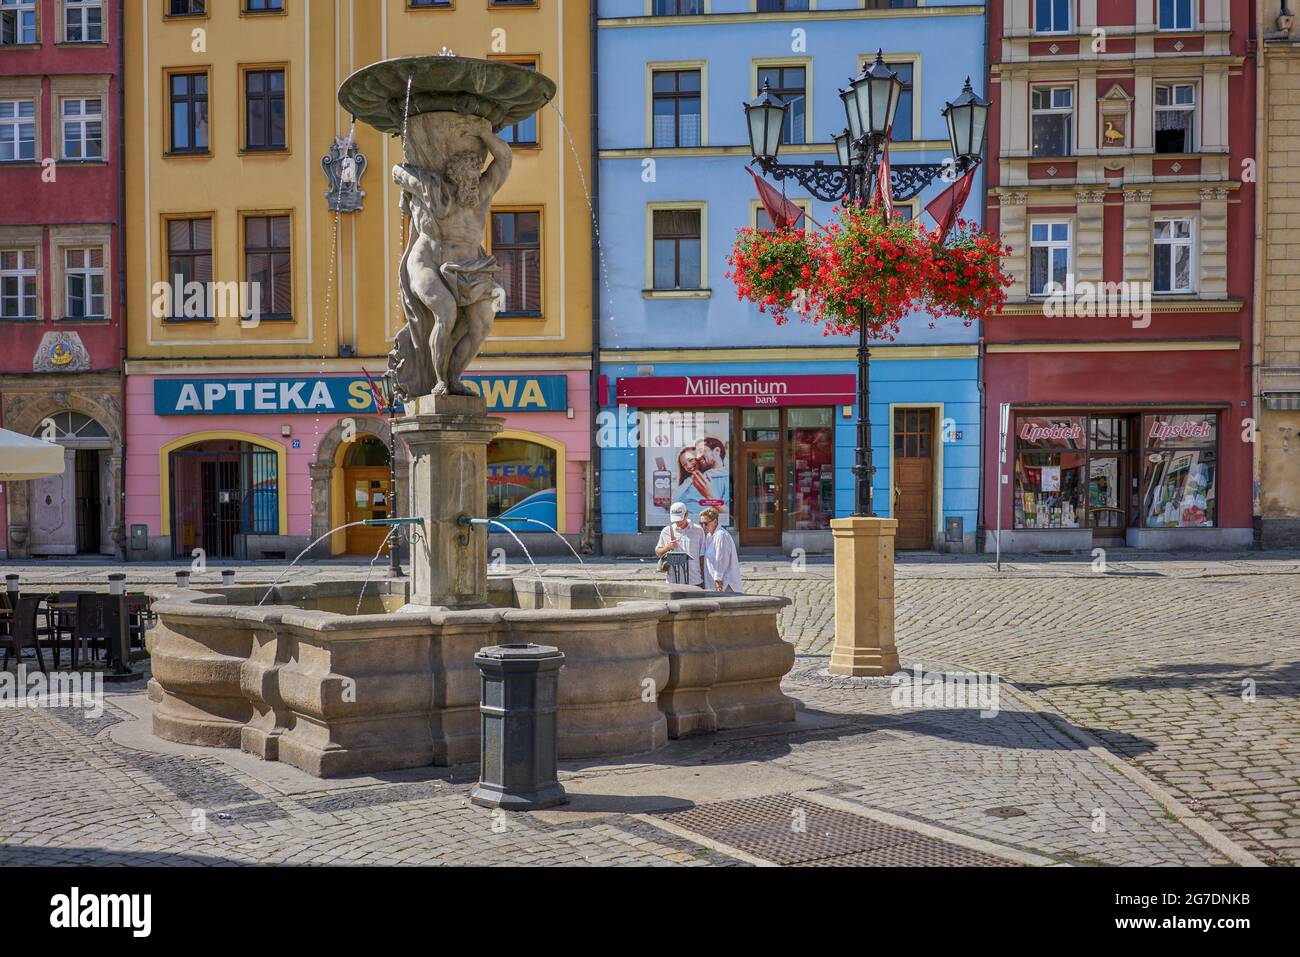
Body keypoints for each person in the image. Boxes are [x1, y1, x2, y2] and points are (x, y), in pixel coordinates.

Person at [655, 501, 705, 587]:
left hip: (695, 580)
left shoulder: (698, 530)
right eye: (675, 520)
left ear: (686, 514)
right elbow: (658, 552)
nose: (678, 522)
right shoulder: (666, 531)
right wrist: (668, 547)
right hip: (673, 580)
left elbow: (702, 556)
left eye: (680, 519)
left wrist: (704, 577)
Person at [699, 506, 742, 594]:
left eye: (706, 523)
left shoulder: (721, 535)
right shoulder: (709, 536)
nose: (703, 526)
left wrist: (718, 581)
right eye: (701, 523)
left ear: (715, 522)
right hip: (713, 583)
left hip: (725, 583)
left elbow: (721, 559)